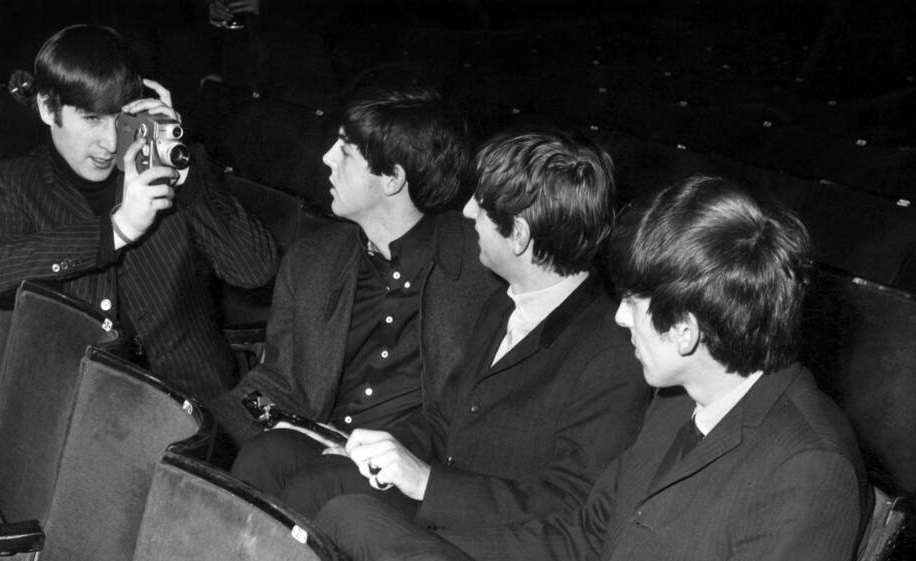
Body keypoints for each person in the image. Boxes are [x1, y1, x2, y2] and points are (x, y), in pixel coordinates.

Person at [314, 175, 868, 561]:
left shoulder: (809, 466)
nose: (619, 318)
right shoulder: (680, 401)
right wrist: (418, 541)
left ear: (685, 332)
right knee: (354, 521)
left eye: (633, 303)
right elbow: (584, 539)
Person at [237, 128, 648, 528]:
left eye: (482, 206)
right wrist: (365, 448)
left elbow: (568, 506)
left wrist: (426, 483)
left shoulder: (611, 353)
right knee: (272, 453)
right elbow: (442, 417)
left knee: (318, 490)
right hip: (440, 487)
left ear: (519, 237)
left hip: (484, 528)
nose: (466, 212)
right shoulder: (504, 302)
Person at [0, 24, 278, 404]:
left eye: (120, 120)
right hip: (77, 411)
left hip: (194, 410)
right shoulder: (15, 181)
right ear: (47, 107)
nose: (111, 141)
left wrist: (186, 177)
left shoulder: (168, 170)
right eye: (92, 119)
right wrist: (116, 231)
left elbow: (255, 270)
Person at [210, 78, 500, 463]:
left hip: (405, 475)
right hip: (305, 453)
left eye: (345, 150)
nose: (327, 158)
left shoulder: (484, 269)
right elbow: (275, 383)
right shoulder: (312, 261)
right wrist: (199, 426)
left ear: (392, 179)